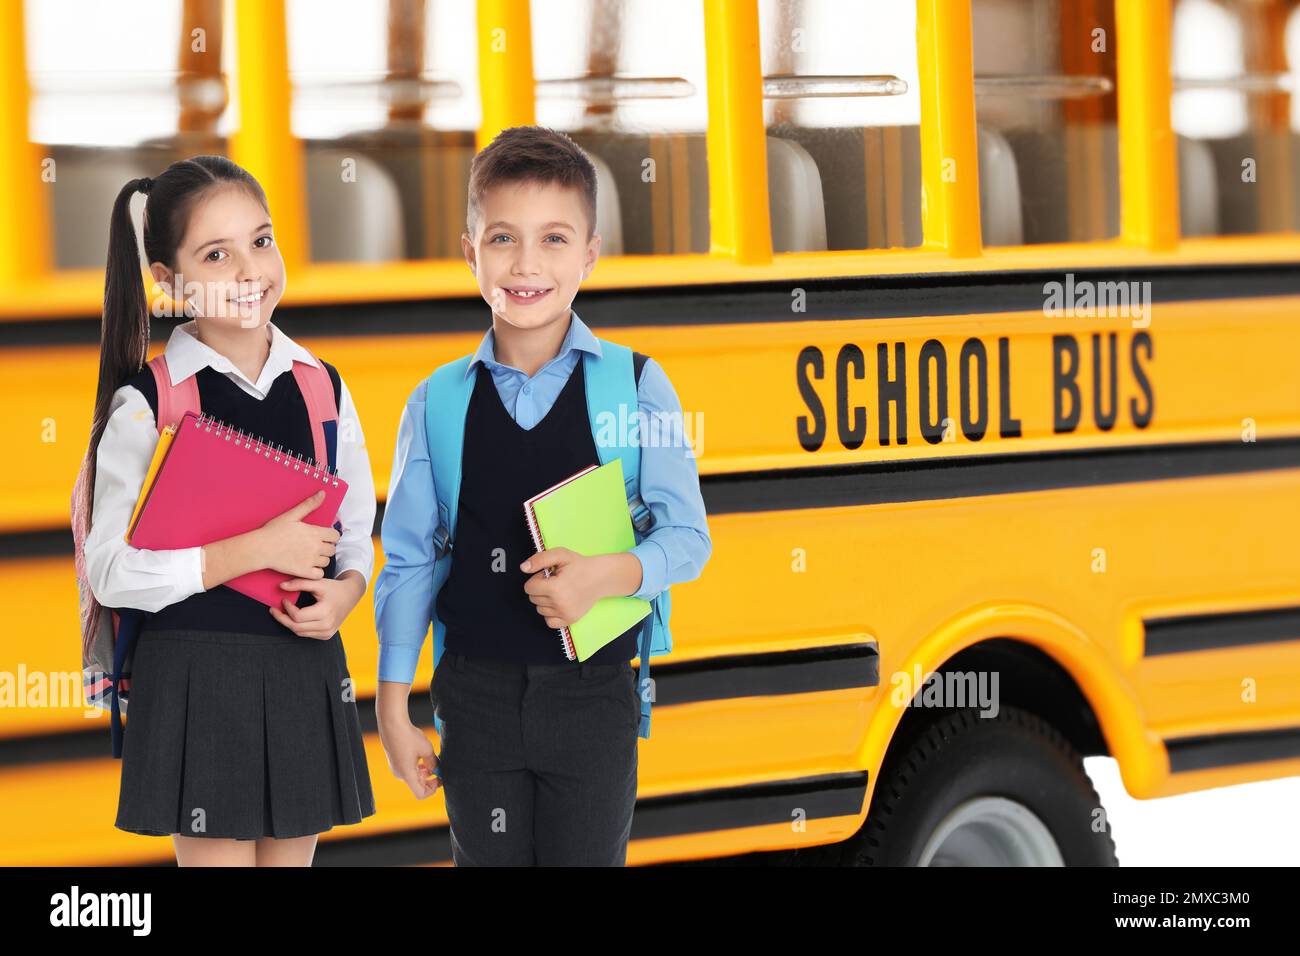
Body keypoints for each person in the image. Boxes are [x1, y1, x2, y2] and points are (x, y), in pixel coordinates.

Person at [374, 125, 712, 866]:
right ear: (470, 250)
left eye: (554, 239)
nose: (526, 264)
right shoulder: (436, 404)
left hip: (592, 700)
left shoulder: (634, 386)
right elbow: (409, 561)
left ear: (590, 253)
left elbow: (688, 539)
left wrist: (605, 575)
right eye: (502, 238)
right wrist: (393, 705)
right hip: (474, 700)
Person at [77, 155, 377, 866]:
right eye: (217, 254)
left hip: (301, 664)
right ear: (168, 281)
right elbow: (110, 572)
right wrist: (254, 550)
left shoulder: (321, 387)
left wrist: (345, 592)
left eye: (261, 240)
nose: (250, 269)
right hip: (195, 678)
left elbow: (357, 530)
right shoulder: (149, 403)